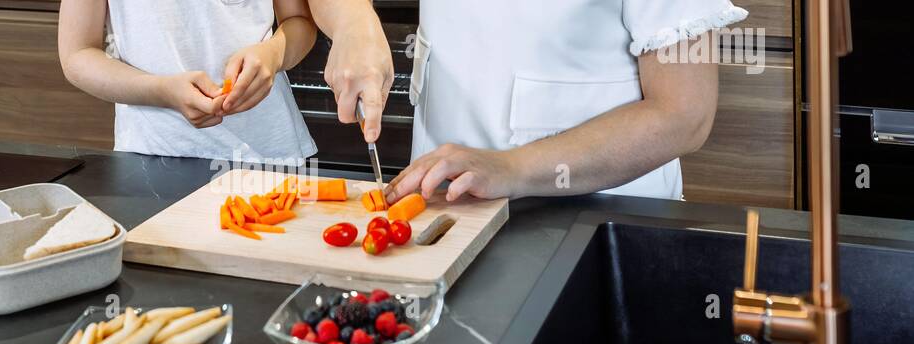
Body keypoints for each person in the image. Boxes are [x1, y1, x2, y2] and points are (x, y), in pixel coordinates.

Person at [310, 0, 749, 202]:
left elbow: (684, 113)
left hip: (596, 226)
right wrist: (353, 22)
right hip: (442, 221)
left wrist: (510, 168)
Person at [58, 0, 318, 164]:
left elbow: (299, 22)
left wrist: (273, 54)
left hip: (268, 149)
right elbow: (77, 54)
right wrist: (162, 91)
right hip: (154, 153)